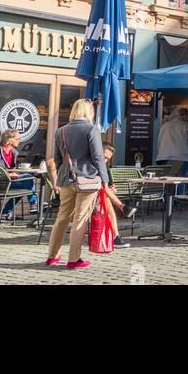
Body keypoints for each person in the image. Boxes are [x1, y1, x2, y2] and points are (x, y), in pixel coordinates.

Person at [44, 99, 110, 270]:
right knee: (80, 219)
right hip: (88, 180)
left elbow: (57, 159)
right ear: (88, 112)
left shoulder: (61, 131)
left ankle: (52, 256)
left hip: (66, 180)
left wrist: (62, 176)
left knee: (62, 218)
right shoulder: (91, 129)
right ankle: (74, 259)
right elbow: (98, 157)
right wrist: (105, 179)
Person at [0, 128, 38, 221]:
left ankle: (6, 213)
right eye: (18, 139)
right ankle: (34, 203)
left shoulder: (13, 153)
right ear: (9, 140)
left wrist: (13, 173)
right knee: (28, 181)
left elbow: (11, 170)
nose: (19, 141)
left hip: (8, 182)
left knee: (27, 184)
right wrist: (7, 174)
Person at [101, 143, 129, 248]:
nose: (105, 160)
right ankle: (122, 207)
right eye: (104, 157)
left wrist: (113, 189)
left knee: (106, 198)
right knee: (106, 198)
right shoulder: (91, 165)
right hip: (87, 195)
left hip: (102, 196)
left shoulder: (105, 168)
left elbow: (110, 185)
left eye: (107, 159)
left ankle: (114, 235)